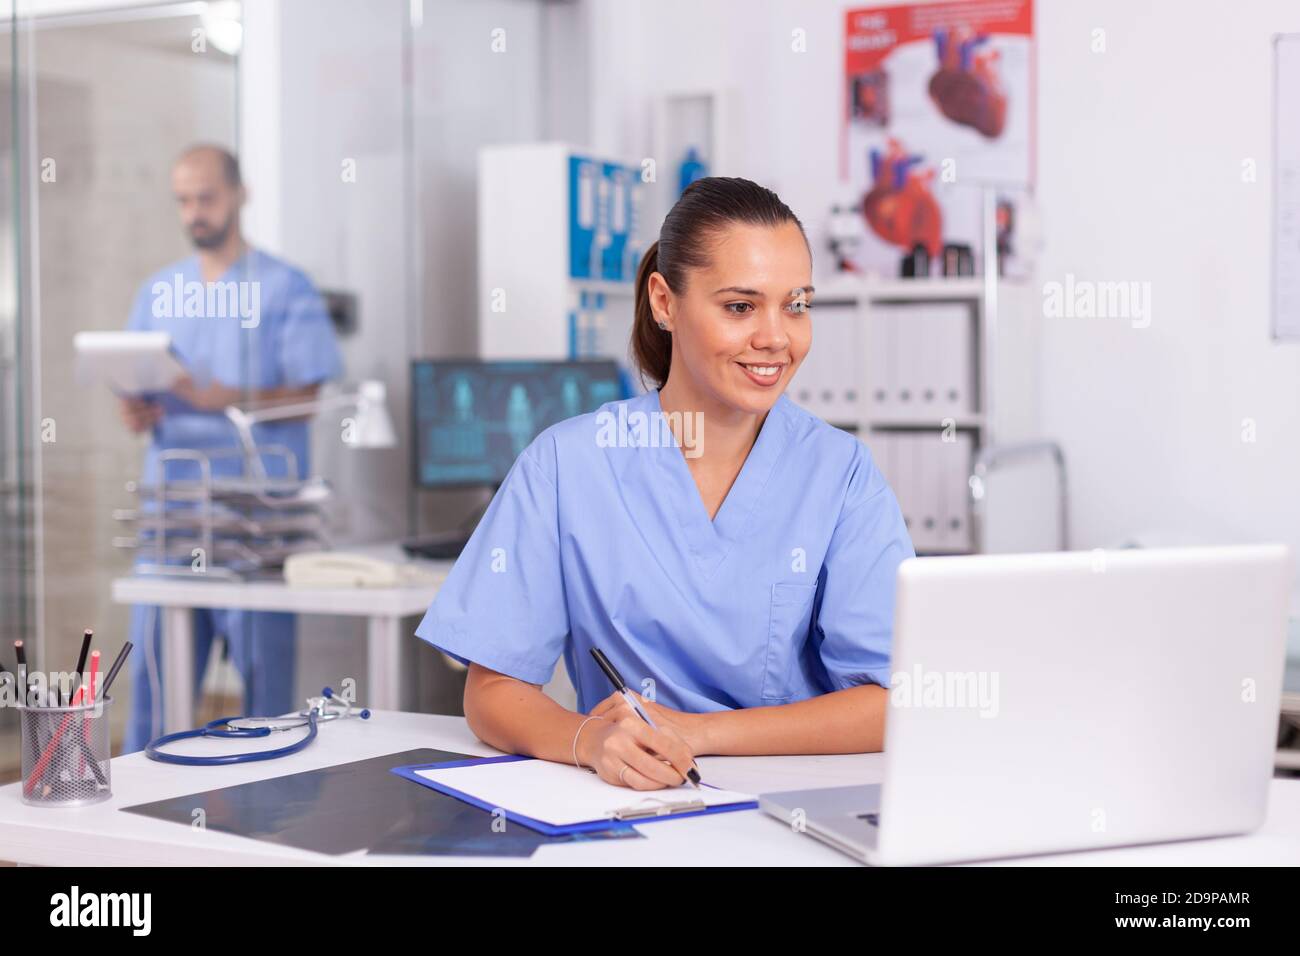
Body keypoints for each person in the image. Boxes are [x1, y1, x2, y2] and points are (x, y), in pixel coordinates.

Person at [416, 177, 913, 790]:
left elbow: (892, 701)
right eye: (740, 307)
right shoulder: (566, 465)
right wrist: (588, 739)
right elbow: (491, 691)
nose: (776, 338)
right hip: (629, 798)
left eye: (796, 305)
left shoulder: (841, 474)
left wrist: (697, 731)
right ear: (664, 301)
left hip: (795, 805)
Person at [119, 144, 343, 753]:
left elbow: (308, 398)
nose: (194, 211)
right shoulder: (159, 290)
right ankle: (144, 833)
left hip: (255, 522)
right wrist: (136, 407)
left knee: (264, 696)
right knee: (154, 685)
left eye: (206, 197)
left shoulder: (284, 287)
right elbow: (138, 378)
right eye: (184, 200)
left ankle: (260, 825)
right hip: (172, 519)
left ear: (240, 194)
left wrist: (230, 398)